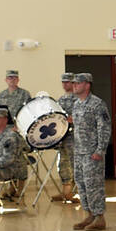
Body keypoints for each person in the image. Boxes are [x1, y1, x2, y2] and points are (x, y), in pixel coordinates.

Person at [70, 72, 112, 231]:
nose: (74, 86)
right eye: (73, 83)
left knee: (94, 185)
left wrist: (100, 150)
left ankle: (99, 217)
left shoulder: (97, 104)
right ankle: (89, 214)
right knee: (81, 184)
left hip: (92, 153)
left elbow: (104, 127)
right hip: (79, 152)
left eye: (77, 83)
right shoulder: (76, 104)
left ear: (87, 85)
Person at [51, 73, 77, 203]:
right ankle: (66, 193)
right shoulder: (60, 100)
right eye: (63, 82)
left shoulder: (78, 99)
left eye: (68, 82)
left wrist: (73, 119)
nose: (65, 84)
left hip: (75, 137)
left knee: (75, 164)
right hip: (62, 136)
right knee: (62, 164)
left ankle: (78, 193)